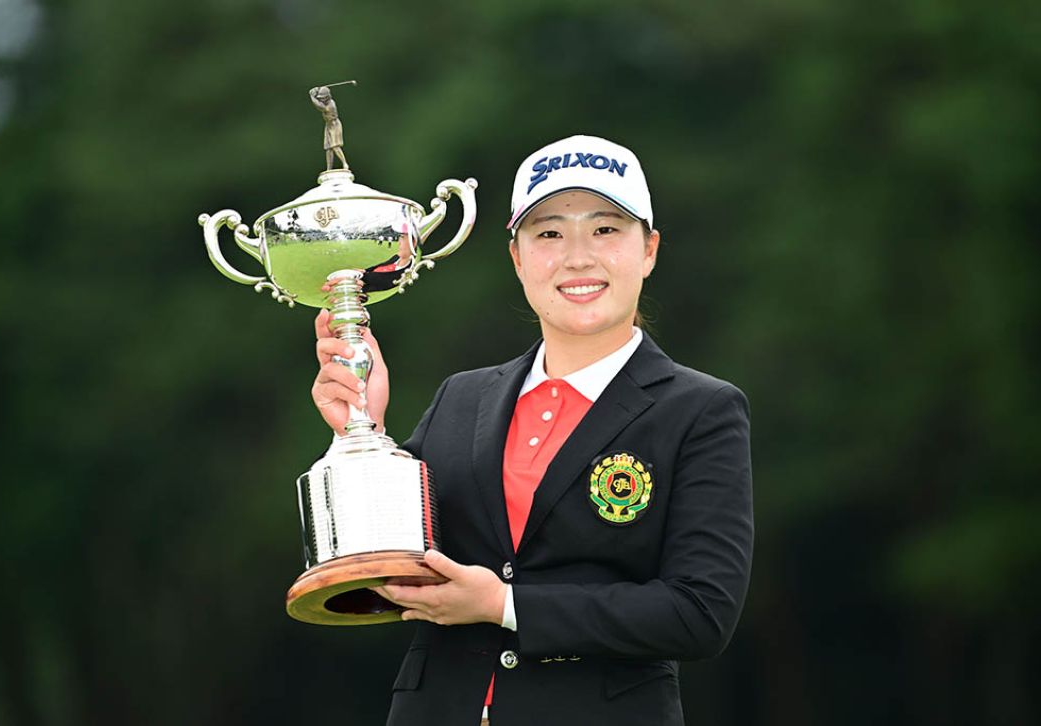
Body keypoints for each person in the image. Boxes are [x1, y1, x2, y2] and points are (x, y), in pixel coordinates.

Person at [311, 135, 754, 726]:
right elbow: (382, 575)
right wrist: (361, 433)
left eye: (605, 229)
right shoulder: (460, 398)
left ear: (648, 251)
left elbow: (700, 613)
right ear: (517, 257)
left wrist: (503, 604)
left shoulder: (701, 411)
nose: (577, 257)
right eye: (548, 233)